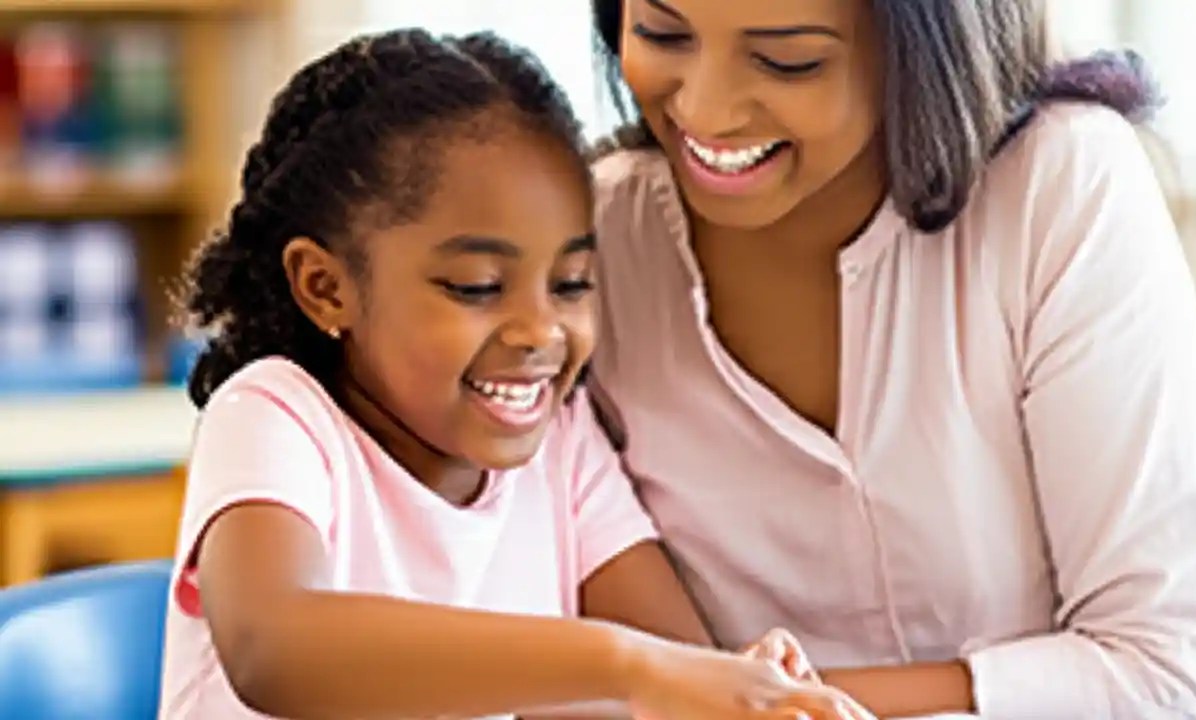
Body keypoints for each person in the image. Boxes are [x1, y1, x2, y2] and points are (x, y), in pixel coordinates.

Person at [159, 28, 872, 720]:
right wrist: (634, 667)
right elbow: (274, 651)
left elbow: (668, 669)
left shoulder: (561, 448)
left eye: (571, 284)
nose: (540, 332)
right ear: (325, 286)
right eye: (475, 287)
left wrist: (736, 688)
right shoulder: (275, 416)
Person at [585, 0, 1196, 718]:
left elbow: (1161, 678)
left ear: (923, 52)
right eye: (662, 34)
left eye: (788, 59)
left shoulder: (1058, 185)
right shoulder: (581, 243)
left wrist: (751, 706)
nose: (705, 110)